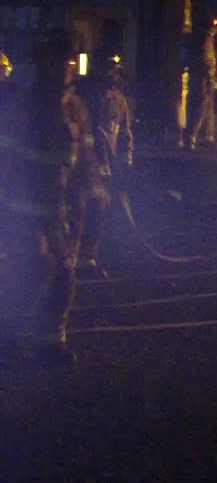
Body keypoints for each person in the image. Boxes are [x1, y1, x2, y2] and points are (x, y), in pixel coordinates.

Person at [0, 30, 82, 364]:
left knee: (62, 275)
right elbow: (8, 159)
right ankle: (8, 336)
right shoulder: (25, 106)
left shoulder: (72, 107)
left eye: (66, 64)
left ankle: (50, 342)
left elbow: (77, 160)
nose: (62, 71)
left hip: (56, 211)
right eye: (56, 64)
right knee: (31, 271)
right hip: (23, 211)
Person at [64, 53, 134, 278]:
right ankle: (70, 260)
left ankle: (88, 259)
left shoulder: (118, 100)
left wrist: (125, 160)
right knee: (77, 210)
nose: (113, 74)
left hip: (106, 165)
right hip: (84, 163)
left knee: (99, 209)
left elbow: (124, 133)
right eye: (109, 69)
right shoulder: (82, 95)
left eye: (115, 70)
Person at [185, 16, 217, 149]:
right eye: (214, 26)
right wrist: (210, 77)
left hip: (208, 78)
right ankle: (191, 137)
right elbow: (205, 61)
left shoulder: (209, 39)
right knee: (201, 107)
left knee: (209, 109)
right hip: (203, 80)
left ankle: (208, 137)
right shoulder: (204, 40)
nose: (216, 29)